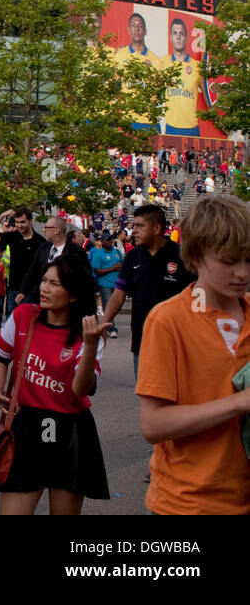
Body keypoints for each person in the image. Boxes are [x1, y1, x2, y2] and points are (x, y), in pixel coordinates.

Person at [136, 193, 250, 514]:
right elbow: (154, 425)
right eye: (229, 261)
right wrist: (239, 402)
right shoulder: (168, 320)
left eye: (249, 259)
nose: (242, 272)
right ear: (196, 255)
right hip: (187, 504)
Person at [0, 254, 110, 514]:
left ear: (74, 294)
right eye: (44, 281)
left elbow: (81, 389)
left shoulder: (88, 333)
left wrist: (89, 346)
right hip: (25, 425)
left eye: (55, 284)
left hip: (72, 430)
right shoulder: (23, 315)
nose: (45, 288)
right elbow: (0, 353)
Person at [102, 204, 196, 378]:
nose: (134, 231)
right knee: (146, 395)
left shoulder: (182, 255)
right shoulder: (132, 257)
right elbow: (118, 294)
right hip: (142, 340)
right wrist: (104, 323)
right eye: (134, 226)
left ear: (157, 228)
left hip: (176, 340)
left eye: (140, 226)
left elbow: (197, 296)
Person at [0, 207, 46, 318]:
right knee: (12, 327)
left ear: (30, 221)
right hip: (13, 289)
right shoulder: (13, 236)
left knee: (28, 327)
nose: (19, 225)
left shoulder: (40, 242)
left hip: (31, 291)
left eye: (22, 222)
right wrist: (2, 216)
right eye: (17, 222)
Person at [88, 234, 123, 338]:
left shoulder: (117, 252)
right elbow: (97, 271)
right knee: (109, 305)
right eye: (107, 240)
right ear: (102, 241)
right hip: (105, 284)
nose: (109, 242)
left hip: (116, 283)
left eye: (110, 240)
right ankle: (112, 328)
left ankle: (103, 324)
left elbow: (122, 264)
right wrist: (111, 269)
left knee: (114, 306)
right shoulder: (99, 255)